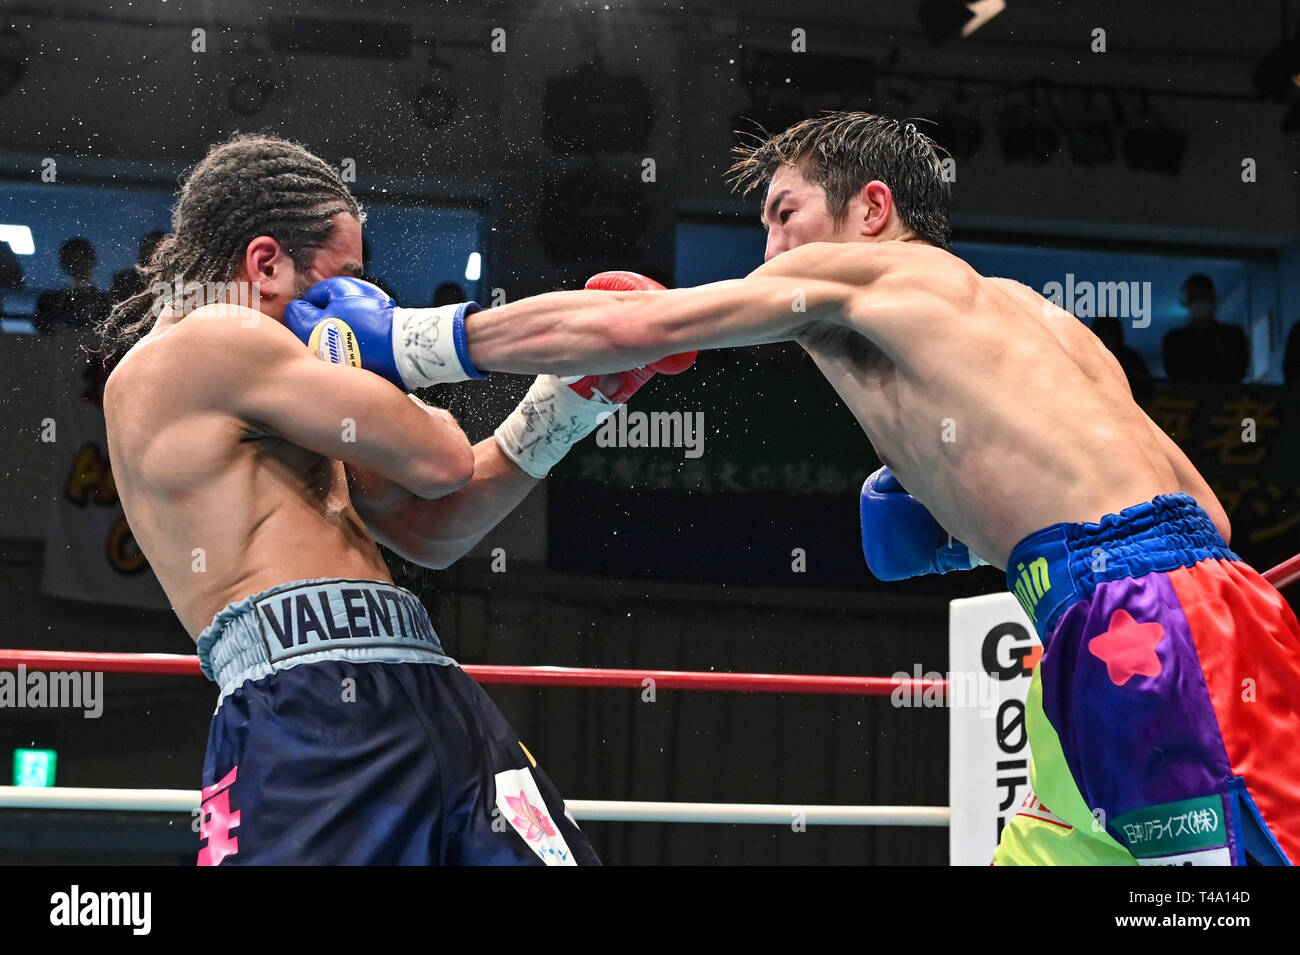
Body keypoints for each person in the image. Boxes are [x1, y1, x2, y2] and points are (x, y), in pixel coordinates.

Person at [294, 111, 1300, 865]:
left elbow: (632, 330)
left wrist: (410, 342)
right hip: (1155, 610)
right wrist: (963, 529)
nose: (768, 255)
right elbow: (1202, 516)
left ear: (873, 209)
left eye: (785, 216)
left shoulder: (891, 280)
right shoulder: (1034, 324)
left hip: (1145, 623)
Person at [100, 133, 691, 865]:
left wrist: (564, 407)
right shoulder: (207, 342)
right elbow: (439, 456)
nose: (352, 295)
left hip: (429, 687)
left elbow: (425, 527)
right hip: (308, 708)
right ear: (265, 263)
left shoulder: (284, 391)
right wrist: (378, 343)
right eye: (342, 276)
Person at [1161, 274, 1250, 383]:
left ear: (1213, 298)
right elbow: (1174, 373)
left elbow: (1239, 371)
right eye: (1192, 298)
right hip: (1187, 398)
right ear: (1186, 302)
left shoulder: (1233, 336)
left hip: (1225, 397)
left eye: (1201, 296)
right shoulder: (1174, 340)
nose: (1197, 302)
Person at [34, 237, 111, 335]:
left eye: (83, 259)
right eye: (73, 260)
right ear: (64, 264)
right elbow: (43, 331)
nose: (78, 265)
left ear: (93, 261)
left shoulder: (104, 302)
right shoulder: (48, 301)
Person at [1091, 315, 1151, 398]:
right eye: (1103, 335)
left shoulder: (1131, 359)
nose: (1107, 339)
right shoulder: (1088, 359)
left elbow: (1146, 386)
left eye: (1110, 335)